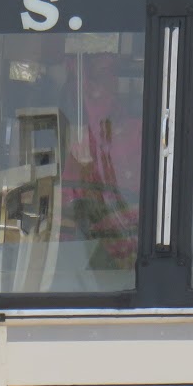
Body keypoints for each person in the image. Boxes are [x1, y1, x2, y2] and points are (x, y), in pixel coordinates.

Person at [61, 54, 140, 269]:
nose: (96, 97)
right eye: (90, 94)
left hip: (136, 249)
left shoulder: (139, 131)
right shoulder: (82, 144)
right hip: (94, 250)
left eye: (101, 88)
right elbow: (69, 200)